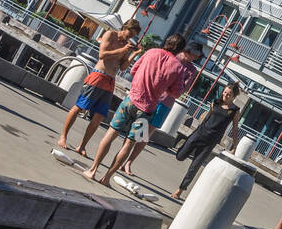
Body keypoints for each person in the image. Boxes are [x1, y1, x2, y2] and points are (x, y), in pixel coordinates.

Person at [82, 34, 202, 186]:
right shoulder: (178, 67)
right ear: (180, 49)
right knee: (130, 143)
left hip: (130, 100)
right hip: (148, 110)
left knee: (111, 132)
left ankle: (93, 169)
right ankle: (107, 178)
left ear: (167, 42)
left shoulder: (151, 52)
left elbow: (133, 71)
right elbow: (177, 93)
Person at [56, 20, 140, 154]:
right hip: (98, 76)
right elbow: (102, 55)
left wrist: (132, 54)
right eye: (130, 33)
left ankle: (82, 145)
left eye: (133, 35)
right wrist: (122, 50)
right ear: (125, 27)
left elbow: (123, 67)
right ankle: (63, 136)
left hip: (110, 81)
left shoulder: (126, 45)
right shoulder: (110, 35)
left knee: (99, 116)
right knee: (79, 107)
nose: (130, 37)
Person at [121, 49, 199, 176]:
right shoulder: (171, 57)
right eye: (194, 54)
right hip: (152, 97)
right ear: (186, 51)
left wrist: (168, 84)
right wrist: (171, 85)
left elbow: (183, 89)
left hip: (165, 104)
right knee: (137, 129)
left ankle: (129, 162)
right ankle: (122, 157)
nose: (195, 58)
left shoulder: (191, 70)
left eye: (197, 56)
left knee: (146, 134)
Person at [171, 83, 240, 200]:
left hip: (210, 141)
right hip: (199, 133)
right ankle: (183, 151)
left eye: (229, 94)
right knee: (180, 156)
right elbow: (206, 117)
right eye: (224, 92)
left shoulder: (234, 111)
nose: (225, 96)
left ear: (234, 97)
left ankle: (180, 190)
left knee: (195, 166)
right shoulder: (215, 103)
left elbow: (234, 128)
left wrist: (235, 146)